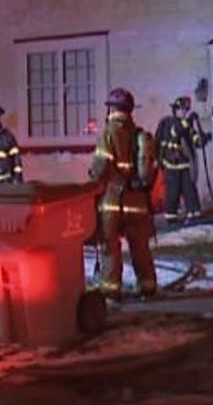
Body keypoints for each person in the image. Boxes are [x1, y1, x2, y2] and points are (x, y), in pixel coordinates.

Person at [89, 88, 158, 299]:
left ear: (111, 109)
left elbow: (101, 167)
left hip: (113, 202)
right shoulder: (139, 135)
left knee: (110, 247)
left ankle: (111, 290)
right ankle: (148, 286)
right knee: (140, 247)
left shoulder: (109, 133)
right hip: (137, 202)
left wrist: (91, 185)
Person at [155, 95, 205, 224]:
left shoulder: (187, 125)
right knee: (173, 191)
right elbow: (176, 131)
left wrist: (201, 139)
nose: (184, 112)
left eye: (186, 110)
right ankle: (171, 216)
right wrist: (188, 121)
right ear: (175, 110)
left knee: (189, 189)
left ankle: (193, 213)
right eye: (181, 109)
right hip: (171, 165)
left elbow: (193, 137)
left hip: (185, 164)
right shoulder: (169, 123)